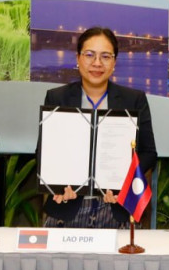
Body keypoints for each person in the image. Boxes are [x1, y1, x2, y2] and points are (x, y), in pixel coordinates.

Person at [42, 27, 158, 228]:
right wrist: (59, 185)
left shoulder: (134, 100)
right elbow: (44, 153)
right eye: (89, 55)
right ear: (78, 58)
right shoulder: (57, 97)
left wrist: (124, 181)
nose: (97, 63)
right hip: (69, 204)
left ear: (114, 63)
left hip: (117, 205)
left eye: (105, 56)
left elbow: (148, 153)